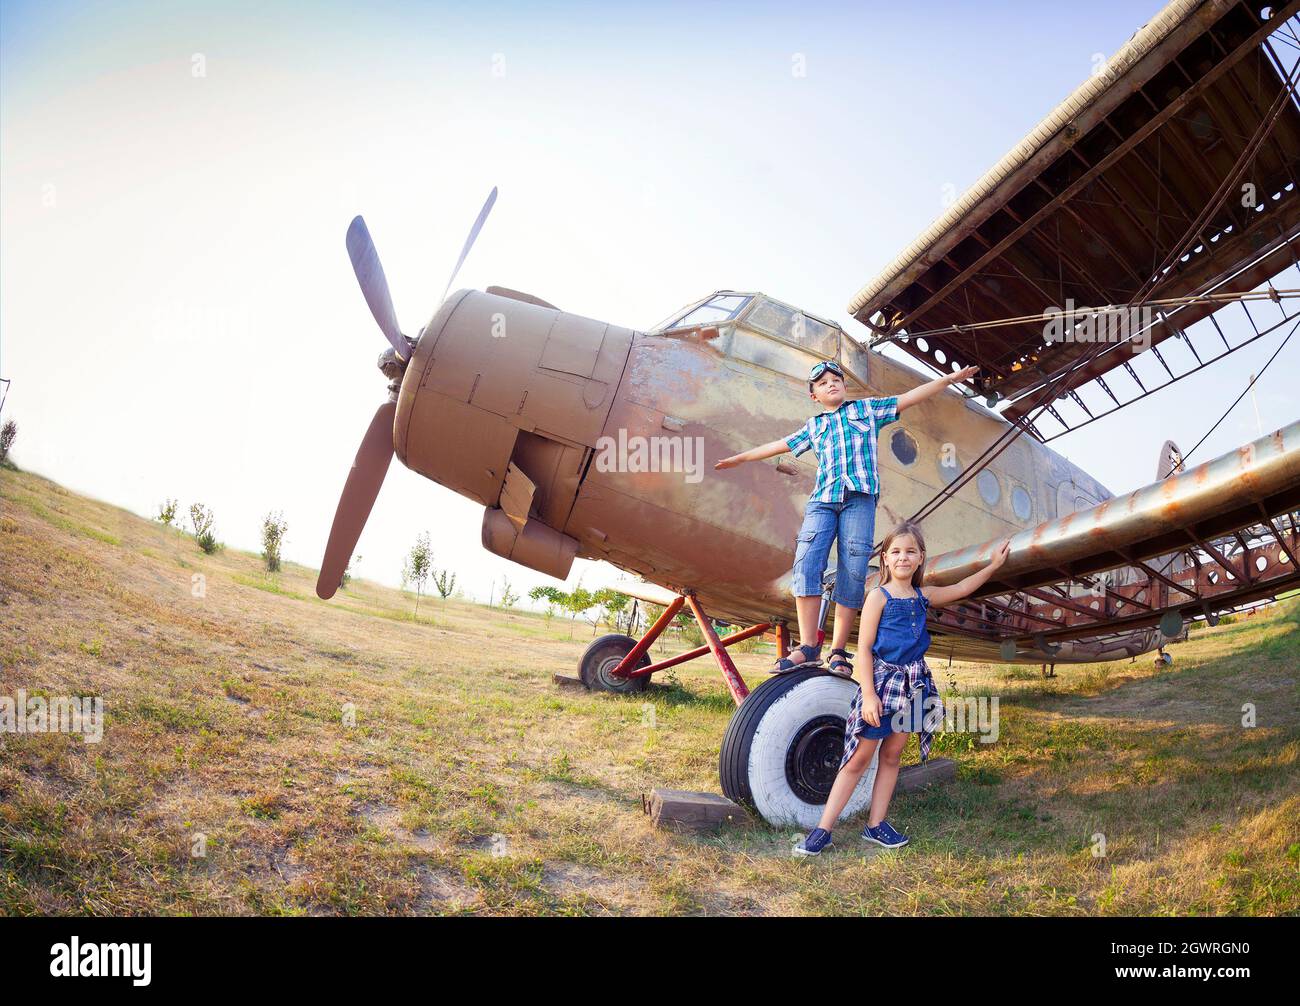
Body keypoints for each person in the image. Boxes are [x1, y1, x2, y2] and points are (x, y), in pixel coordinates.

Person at [715, 360, 977, 676]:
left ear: (844, 386)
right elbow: (779, 445)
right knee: (807, 562)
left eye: (835, 379)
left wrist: (948, 379)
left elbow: (909, 397)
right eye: (822, 383)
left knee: (852, 570)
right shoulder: (815, 426)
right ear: (814, 396)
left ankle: (838, 650)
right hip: (823, 501)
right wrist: (740, 458)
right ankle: (808, 646)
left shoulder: (867, 410)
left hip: (860, 501)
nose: (831, 384)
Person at [793, 521, 1010, 856]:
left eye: (910, 551)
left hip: (915, 683)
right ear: (885, 559)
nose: (903, 557)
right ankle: (824, 829)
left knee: (892, 756)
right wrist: (868, 695)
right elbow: (863, 649)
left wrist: (993, 564)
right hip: (883, 683)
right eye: (896, 551)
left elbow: (964, 587)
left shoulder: (924, 596)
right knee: (858, 759)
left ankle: (876, 825)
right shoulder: (878, 597)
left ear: (921, 558)